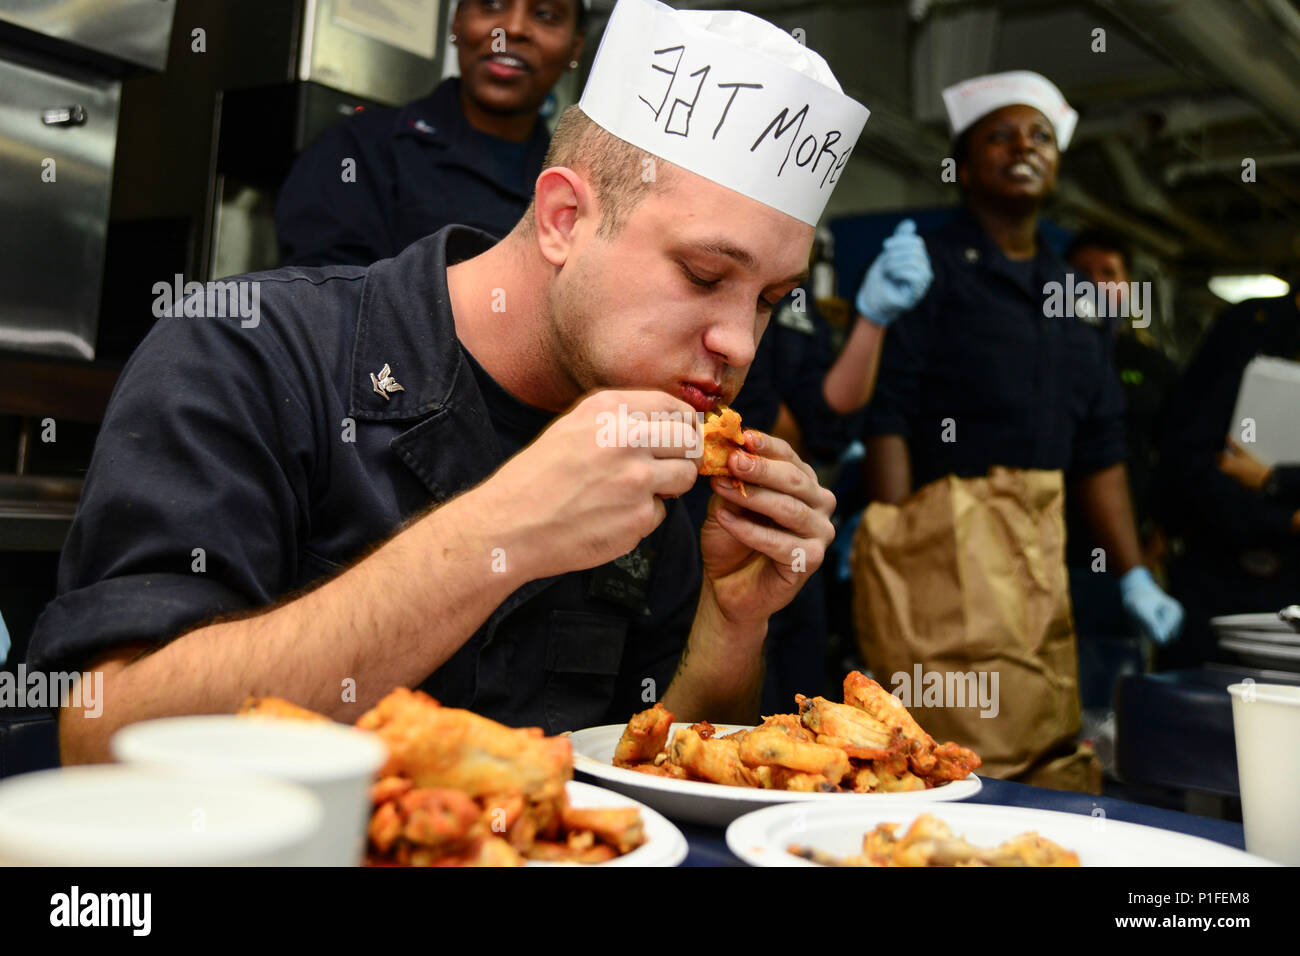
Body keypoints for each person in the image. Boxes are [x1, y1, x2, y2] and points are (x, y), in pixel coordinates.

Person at [30, 0, 869, 764]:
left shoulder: (663, 445)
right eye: (701, 273)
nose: (736, 344)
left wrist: (731, 621)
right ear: (564, 219)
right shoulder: (251, 351)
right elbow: (105, 738)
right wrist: (495, 534)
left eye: (767, 302)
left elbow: (650, 777)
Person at [861, 73, 1182, 649]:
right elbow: (889, 416)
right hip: (945, 546)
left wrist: (1132, 572)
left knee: (1044, 722)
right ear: (960, 167)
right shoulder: (925, 270)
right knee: (933, 726)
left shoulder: (1080, 296)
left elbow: (1101, 445)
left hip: (1047, 556)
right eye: (1001, 136)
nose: (1025, 146)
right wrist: (898, 538)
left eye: (1040, 137)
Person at [275, 0, 587, 266]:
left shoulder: (582, 189)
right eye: (491, 3)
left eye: (546, 14)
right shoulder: (359, 150)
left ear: (575, 47)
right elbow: (324, 309)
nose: (514, 28)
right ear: (456, 23)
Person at [1156, 291, 1300, 669]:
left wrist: (1275, 479)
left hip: (1294, 582)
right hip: (1217, 574)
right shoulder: (1248, 325)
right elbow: (1186, 451)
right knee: (1196, 709)